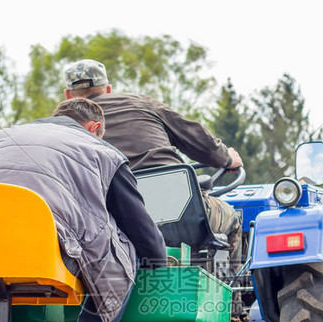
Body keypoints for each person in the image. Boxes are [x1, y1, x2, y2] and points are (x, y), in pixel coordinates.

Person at [0, 98, 167, 322]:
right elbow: (139, 226)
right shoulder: (103, 151)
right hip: (46, 250)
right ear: (95, 128)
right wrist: (158, 262)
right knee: (125, 254)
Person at [62, 59, 244, 268]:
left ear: (67, 95)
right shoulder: (143, 103)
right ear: (108, 89)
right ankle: (234, 297)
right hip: (181, 212)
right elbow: (199, 141)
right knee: (233, 219)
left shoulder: (63, 126)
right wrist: (227, 158)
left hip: (110, 224)